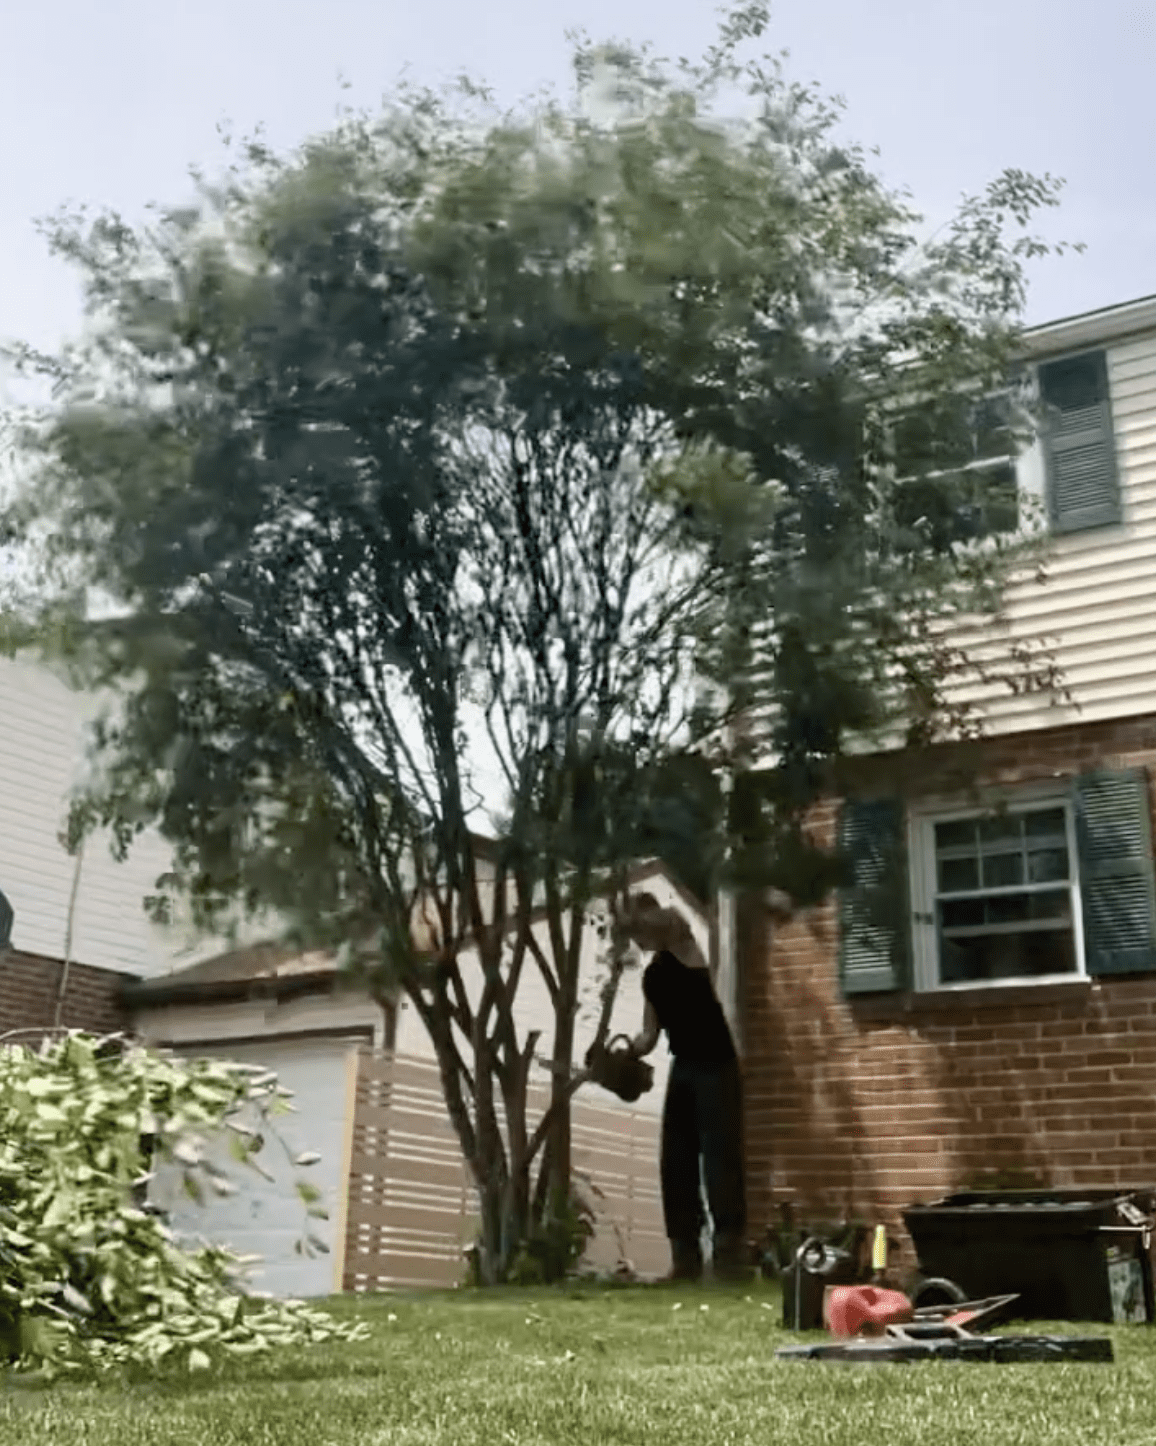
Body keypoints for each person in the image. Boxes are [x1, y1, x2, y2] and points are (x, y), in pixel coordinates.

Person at [620, 892, 748, 1283]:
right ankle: (685, 1258)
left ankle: (727, 1255)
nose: (637, 942)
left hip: (719, 1065)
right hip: (685, 1068)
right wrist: (624, 1053)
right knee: (674, 1163)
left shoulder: (697, 953)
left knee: (719, 1161)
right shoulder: (653, 976)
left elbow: (676, 925)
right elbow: (649, 1034)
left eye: (639, 931)